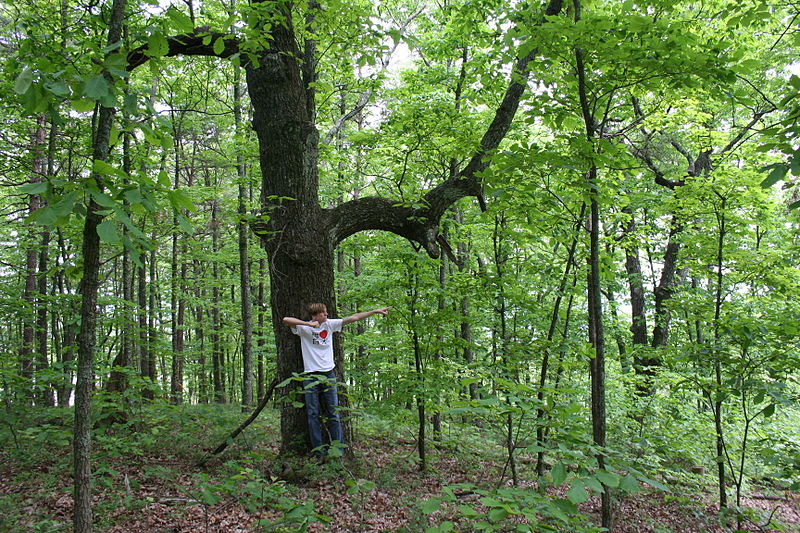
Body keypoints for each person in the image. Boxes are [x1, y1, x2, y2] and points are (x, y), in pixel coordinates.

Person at [283, 303, 390, 460]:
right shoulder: (304, 329)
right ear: (315, 315)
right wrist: (308, 324)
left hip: (329, 374)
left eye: (326, 313)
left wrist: (374, 311)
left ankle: (338, 451)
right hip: (310, 375)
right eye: (323, 313)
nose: (326, 315)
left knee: (333, 413)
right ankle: (319, 452)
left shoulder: (330, 325)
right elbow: (286, 319)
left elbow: (354, 318)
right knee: (313, 414)